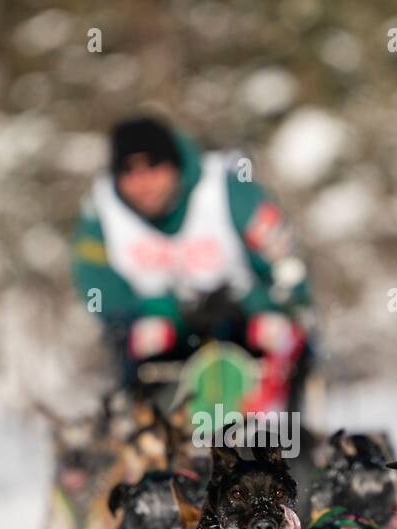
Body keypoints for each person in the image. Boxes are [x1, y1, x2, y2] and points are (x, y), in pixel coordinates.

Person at [71, 116, 312, 413]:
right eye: (129, 171)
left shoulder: (229, 190)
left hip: (244, 312)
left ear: (174, 166)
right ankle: (156, 430)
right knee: (144, 341)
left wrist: (274, 302)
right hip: (159, 320)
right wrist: (129, 317)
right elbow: (96, 282)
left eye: (153, 167)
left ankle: (286, 436)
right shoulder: (101, 211)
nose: (144, 183)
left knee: (278, 332)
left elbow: (282, 260)